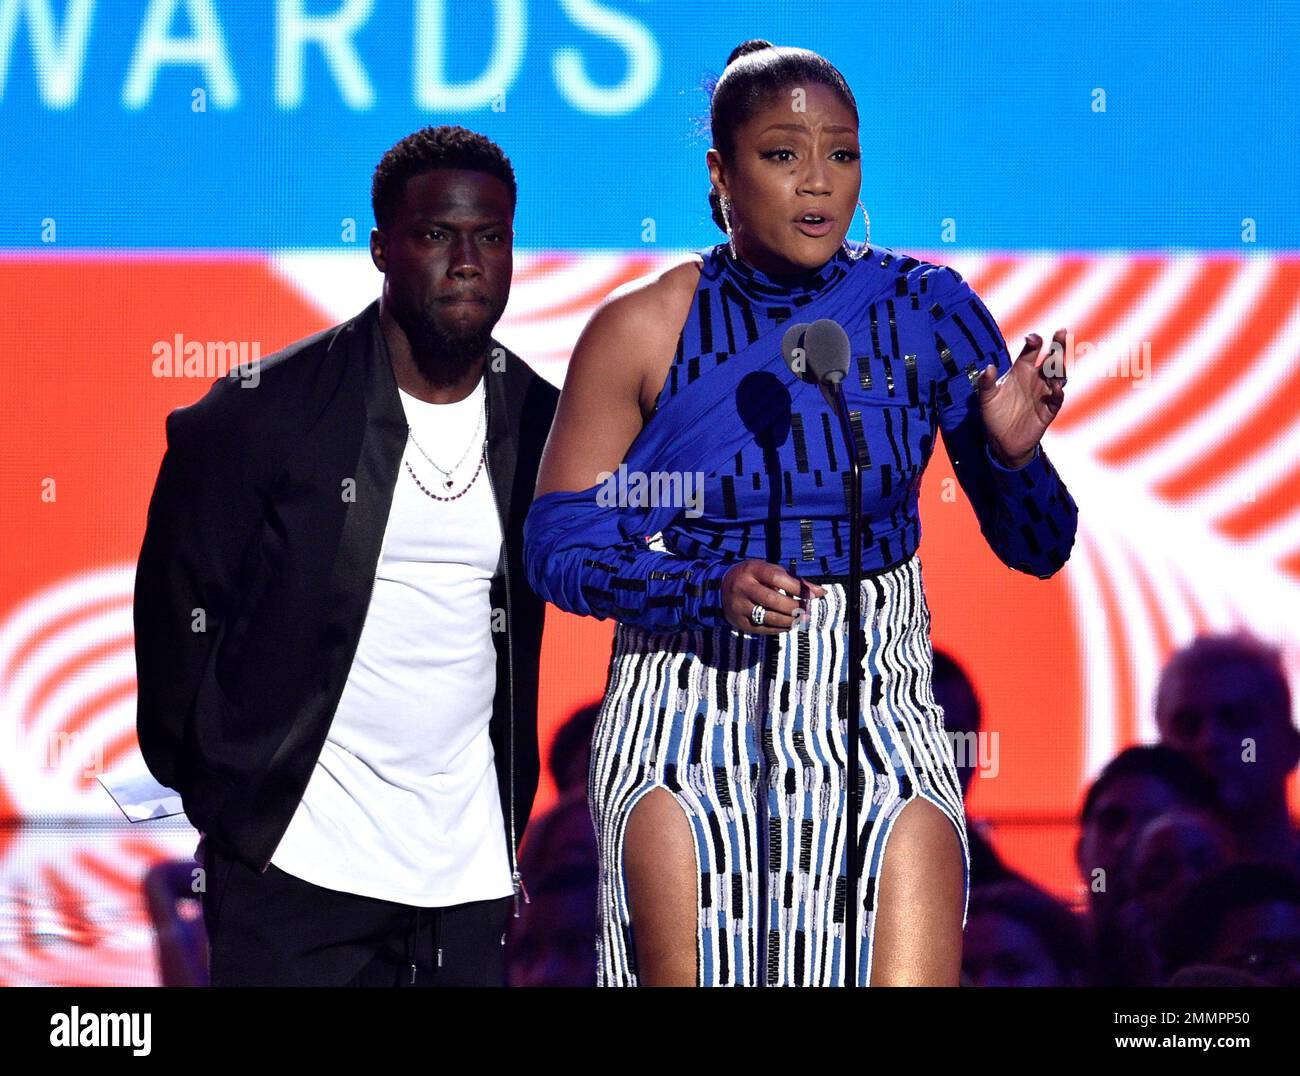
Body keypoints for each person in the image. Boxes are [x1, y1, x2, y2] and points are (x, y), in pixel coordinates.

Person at [523, 41, 1078, 986]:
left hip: (881, 710)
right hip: (688, 708)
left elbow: (1039, 547)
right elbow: (558, 543)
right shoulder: (645, 330)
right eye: (783, 154)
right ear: (721, 175)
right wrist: (706, 585)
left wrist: (1013, 457)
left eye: (842, 154)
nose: (818, 182)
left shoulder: (925, 310)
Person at [133, 125, 559, 986]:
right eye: (437, 235)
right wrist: (228, 800)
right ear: (380, 249)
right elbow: (178, 607)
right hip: (295, 867)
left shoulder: (548, 421)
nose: (468, 260)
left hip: (465, 872)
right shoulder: (263, 413)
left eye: (491, 236)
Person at [1154, 630, 1300, 873]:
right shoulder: (1138, 904)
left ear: (1290, 746)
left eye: (1237, 720)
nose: (1209, 741)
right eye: (1187, 727)